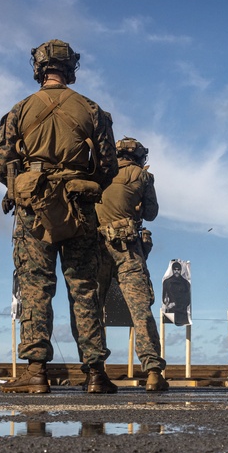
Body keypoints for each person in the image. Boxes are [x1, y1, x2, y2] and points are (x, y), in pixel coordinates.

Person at [0, 39, 118, 394]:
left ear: (39, 68)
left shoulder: (19, 110)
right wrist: (82, 180)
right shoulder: (92, 110)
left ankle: (35, 372)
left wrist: (25, 183)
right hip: (79, 207)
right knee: (84, 288)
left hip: (34, 209)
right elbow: (109, 166)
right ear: (70, 69)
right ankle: (95, 373)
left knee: (35, 287)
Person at [92, 137, 168, 391]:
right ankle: (153, 372)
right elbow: (151, 213)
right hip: (128, 247)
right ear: (139, 156)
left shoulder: (97, 173)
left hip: (97, 247)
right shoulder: (142, 176)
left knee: (93, 311)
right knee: (140, 310)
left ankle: (95, 372)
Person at [162, 261, 191, 326]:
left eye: (178, 270)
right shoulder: (166, 282)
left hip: (182, 313)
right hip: (170, 312)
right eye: (175, 270)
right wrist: (168, 304)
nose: (176, 271)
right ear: (172, 270)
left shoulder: (186, 283)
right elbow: (164, 298)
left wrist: (176, 304)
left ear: (180, 270)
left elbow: (188, 300)